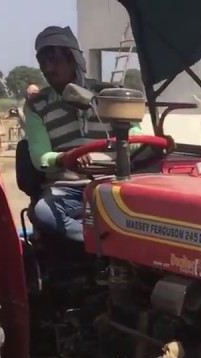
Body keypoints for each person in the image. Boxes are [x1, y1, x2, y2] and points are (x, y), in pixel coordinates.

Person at [24, 26, 143, 243]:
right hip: (68, 190)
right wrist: (67, 157)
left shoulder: (108, 94)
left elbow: (135, 136)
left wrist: (112, 154)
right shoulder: (37, 106)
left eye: (55, 61)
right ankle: (107, 243)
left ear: (73, 59)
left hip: (113, 184)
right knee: (44, 212)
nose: (48, 68)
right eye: (43, 63)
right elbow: (40, 157)